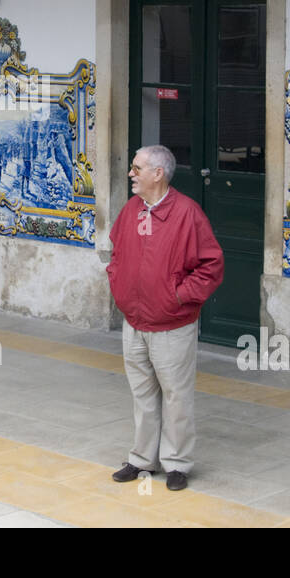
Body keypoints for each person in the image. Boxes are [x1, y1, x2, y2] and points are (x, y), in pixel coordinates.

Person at [106, 145, 224, 492]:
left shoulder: (188, 213)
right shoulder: (131, 209)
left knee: (176, 396)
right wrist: (119, 286)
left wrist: (179, 297)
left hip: (172, 324)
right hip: (135, 321)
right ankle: (143, 458)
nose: (132, 173)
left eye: (137, 168)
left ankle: (176, 463)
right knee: (142, 395)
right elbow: (116, 252)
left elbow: (211, 265)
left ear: (158, 173)